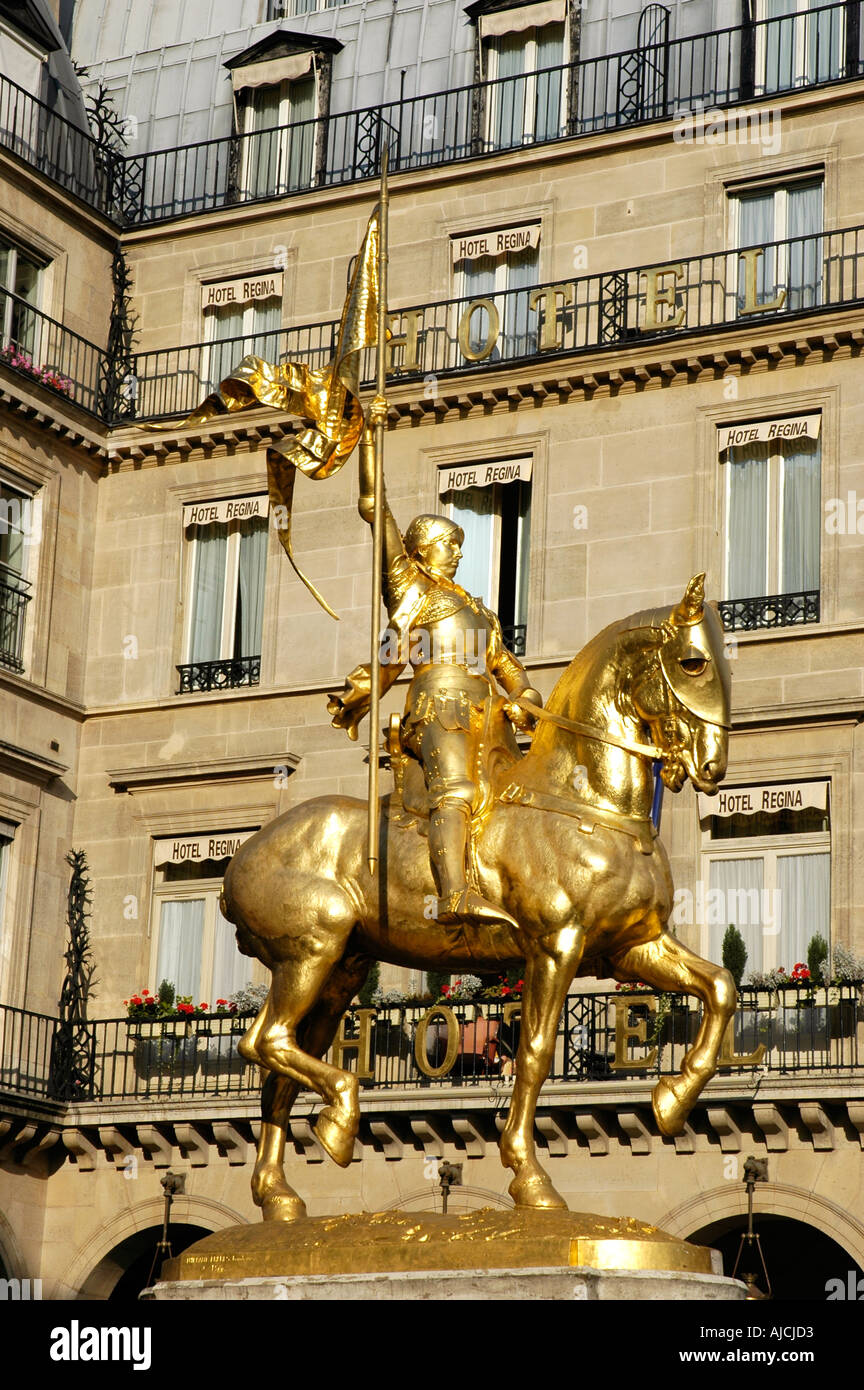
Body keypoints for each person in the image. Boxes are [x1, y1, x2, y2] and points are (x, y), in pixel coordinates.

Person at [327, 400, 543, 932]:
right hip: (437, 709)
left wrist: (525, 700)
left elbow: (509, 669)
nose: (458, 553)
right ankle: (453, 894)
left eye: (459, 545)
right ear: (422, 550)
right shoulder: (410, 586)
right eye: (449, 544)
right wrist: (369, 435)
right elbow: (374, 506)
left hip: (490, 718)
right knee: (457, 791)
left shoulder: (480, 610)